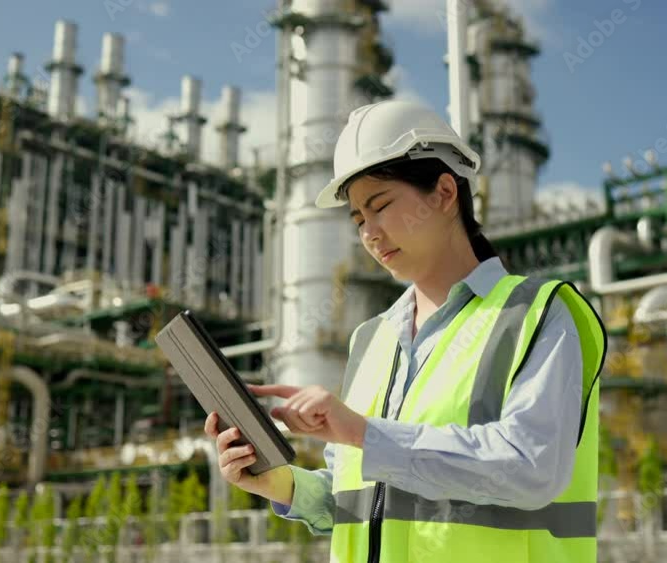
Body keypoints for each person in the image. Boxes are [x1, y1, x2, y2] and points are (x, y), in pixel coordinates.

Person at [204, 99, 607, 562]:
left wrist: (362, 433)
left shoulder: (537, 314)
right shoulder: (371, 340)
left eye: (380, 206)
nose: (370, 233)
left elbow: (530, 466)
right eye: (358, 219)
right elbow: (356, 499)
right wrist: (277, 481)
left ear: (444, 192)